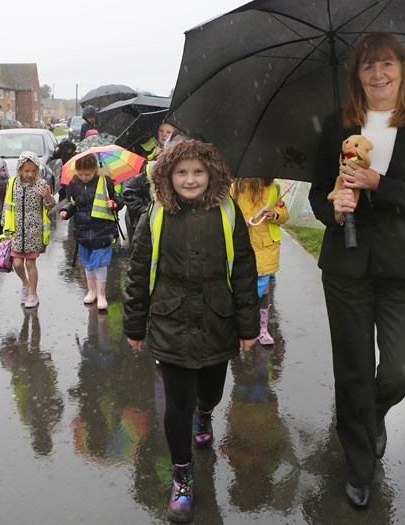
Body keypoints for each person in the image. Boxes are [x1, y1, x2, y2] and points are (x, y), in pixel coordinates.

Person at [307, 32, 405, 510]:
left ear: (402, 70)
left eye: (387, 64)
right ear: (357, 77)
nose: (378, 74)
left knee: (401, 369)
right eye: (368, 67)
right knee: (352, 369)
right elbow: (316, 195)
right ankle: (360, 465)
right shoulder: (335, 127)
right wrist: (337, 208)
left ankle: (371, 414)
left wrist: (378, 183)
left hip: (402, 266)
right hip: (345, 266)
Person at [124, 139, 259, 523]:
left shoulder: (228, 213)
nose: (190, 179)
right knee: (176, 405)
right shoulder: (156, 215)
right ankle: (182, 473)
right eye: (181, 172)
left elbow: (245, 271)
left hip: (218, 320)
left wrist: (248, 325)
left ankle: (206, 413)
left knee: (211, 391)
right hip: (171, 321)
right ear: (168, 175)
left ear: (212, 173)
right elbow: (138, 272)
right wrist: (135, 323)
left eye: (198, 171)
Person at [59, 153, 124, 311]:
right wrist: (66, 211)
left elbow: (119, 199)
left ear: (95, 169)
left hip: (102, 229)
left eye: (87, 174)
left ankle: (101, 294)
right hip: (83, 230)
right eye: (80, 174)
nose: (83, 177)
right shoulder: (74, 183)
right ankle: (92, 290)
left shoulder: (106, 181)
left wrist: (114, 203)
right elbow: (73, 203)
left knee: (100, 263)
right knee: (88, 264)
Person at [230, 178, 289, 345]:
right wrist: (241, 222)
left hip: (265, 247)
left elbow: (284, 214)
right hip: (241, 246)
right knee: (241, 286)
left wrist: (275, 214)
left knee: (263, 287)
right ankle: (240, 324)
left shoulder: (273, 188)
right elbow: (226, 214)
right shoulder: (234, 188)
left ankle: (262, 329)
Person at [3, 151, 55, 309]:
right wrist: (5, 226)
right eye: (27, 171)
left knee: (30, 264)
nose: (30, 174)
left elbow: (50, 206)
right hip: (17, 232)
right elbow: (7, 206)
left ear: (38, 170)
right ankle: (25, 284)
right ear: (20, 170)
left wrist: (48, 197)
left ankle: (33, 293)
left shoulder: (42, 184)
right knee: (17, 264)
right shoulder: (12, 184)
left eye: (33, 171)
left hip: (34, 232)